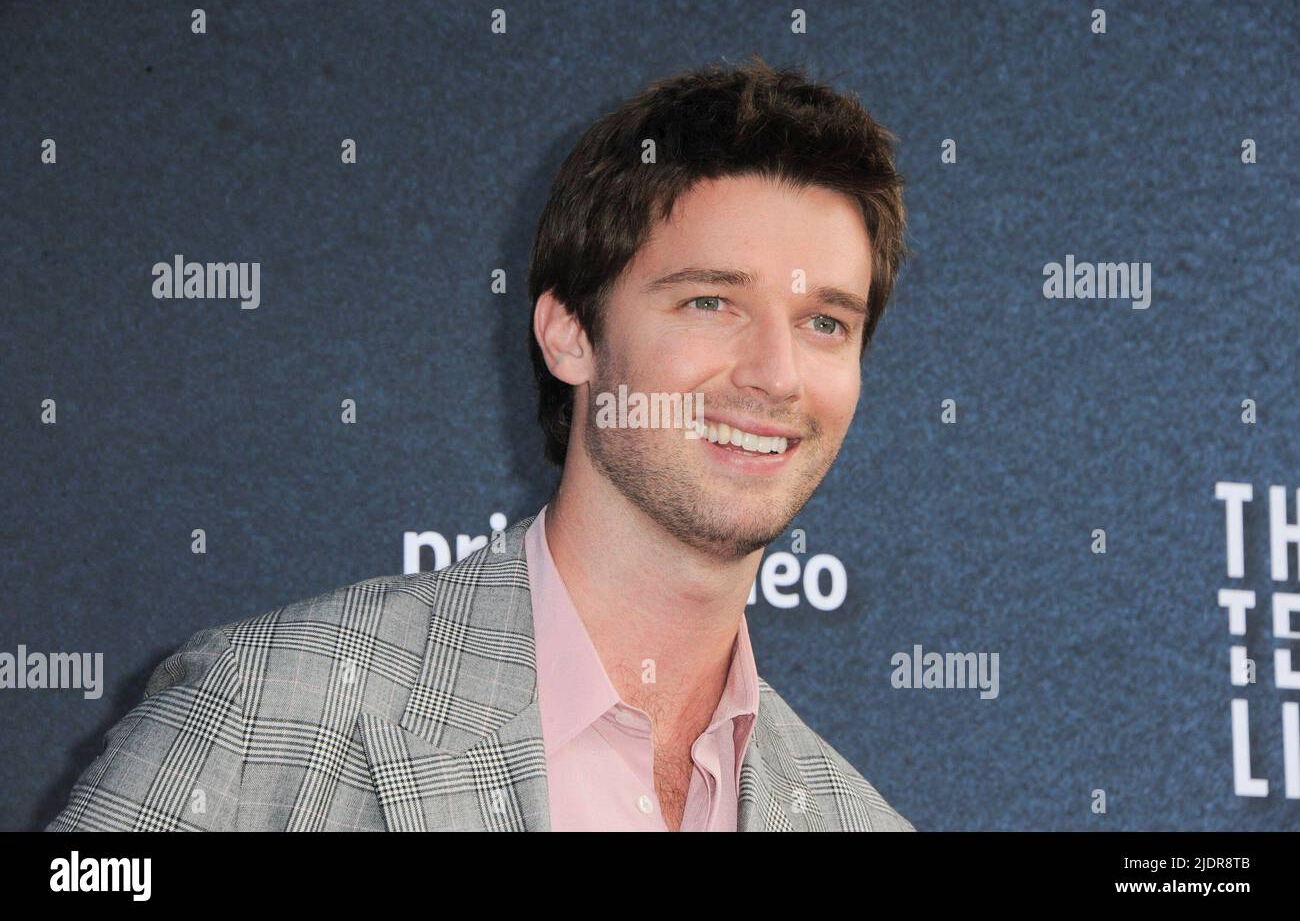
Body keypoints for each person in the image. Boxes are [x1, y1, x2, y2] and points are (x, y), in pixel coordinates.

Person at [46, 55, 914, 832]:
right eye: (710, 302)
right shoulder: (264, 719)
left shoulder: (855, 820)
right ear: (568, 333)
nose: (777, 374)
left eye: (826, 322)